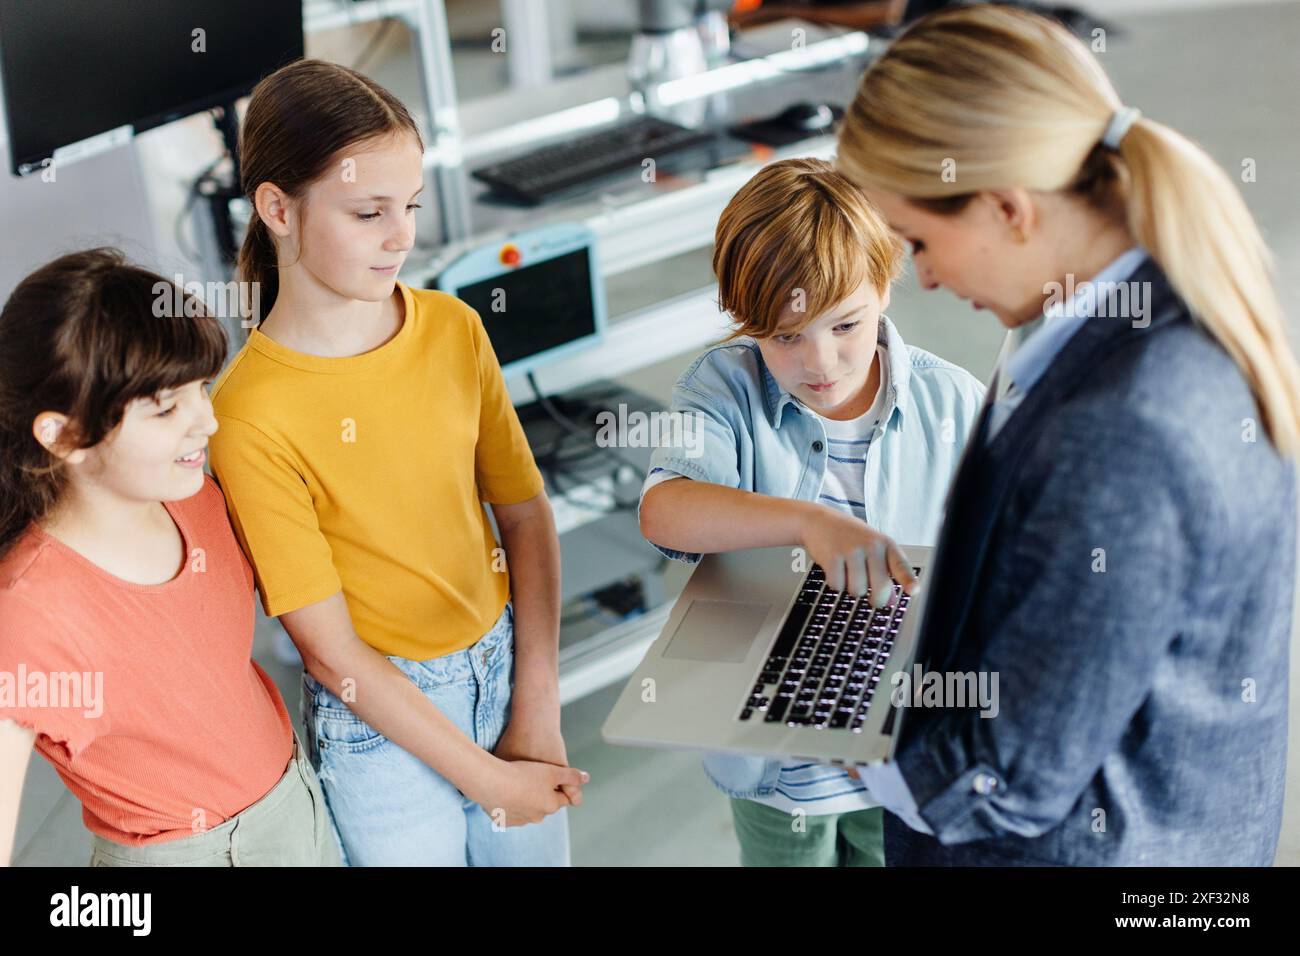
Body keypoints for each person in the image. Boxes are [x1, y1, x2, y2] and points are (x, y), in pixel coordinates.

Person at [834, 4, 1300, 865]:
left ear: (1009, 207)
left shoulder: (1123, 431)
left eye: (918, 241)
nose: (924, 278)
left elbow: (1004, 781)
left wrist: (836, 738)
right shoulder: (1158, 306)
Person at [207, 59, 584, 866]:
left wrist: (537, 703)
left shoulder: (452, 328)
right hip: (382, 733)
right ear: (277, 208)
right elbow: (332, 653)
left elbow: (523, 513)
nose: (402, 235)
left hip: (507, 671)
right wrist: (484, 777)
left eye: (408, 206)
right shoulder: (246, 414)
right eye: (369, 212)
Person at [638, 157, 984, 866]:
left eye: (845, 325)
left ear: (885, 285)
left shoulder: (952, 400)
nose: (819, 363)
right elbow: (665, 512)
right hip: (769, 758)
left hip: (898, 743)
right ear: (748, 323)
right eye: (784, 337)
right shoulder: (722, 386)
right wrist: (804, 522)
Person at [0, 248, 339, 867]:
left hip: (296, 804)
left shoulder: (197, 499)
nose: (206, 421)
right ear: (64, 435)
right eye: (165, 408)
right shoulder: (28, 611)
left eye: (201, 389)